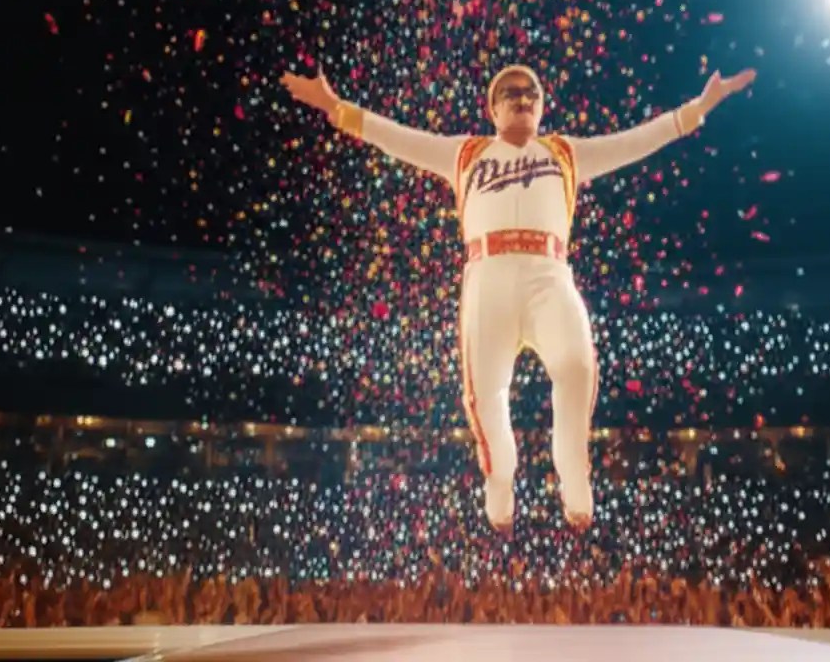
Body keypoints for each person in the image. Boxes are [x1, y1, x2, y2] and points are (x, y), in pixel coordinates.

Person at [280, 62, 755, 533]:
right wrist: (332, 105)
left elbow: (637, 140)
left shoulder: (566, 153)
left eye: (531, 92)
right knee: (485, 396)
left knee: (577, 363)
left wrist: (700, 107)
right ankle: (500, 478)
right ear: (491, 107)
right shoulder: (464, 154)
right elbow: (395, 136)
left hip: (550, 274)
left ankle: (572, 470)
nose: (522, 98)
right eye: (510, 92)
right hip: (487, 278)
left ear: (543, 106)